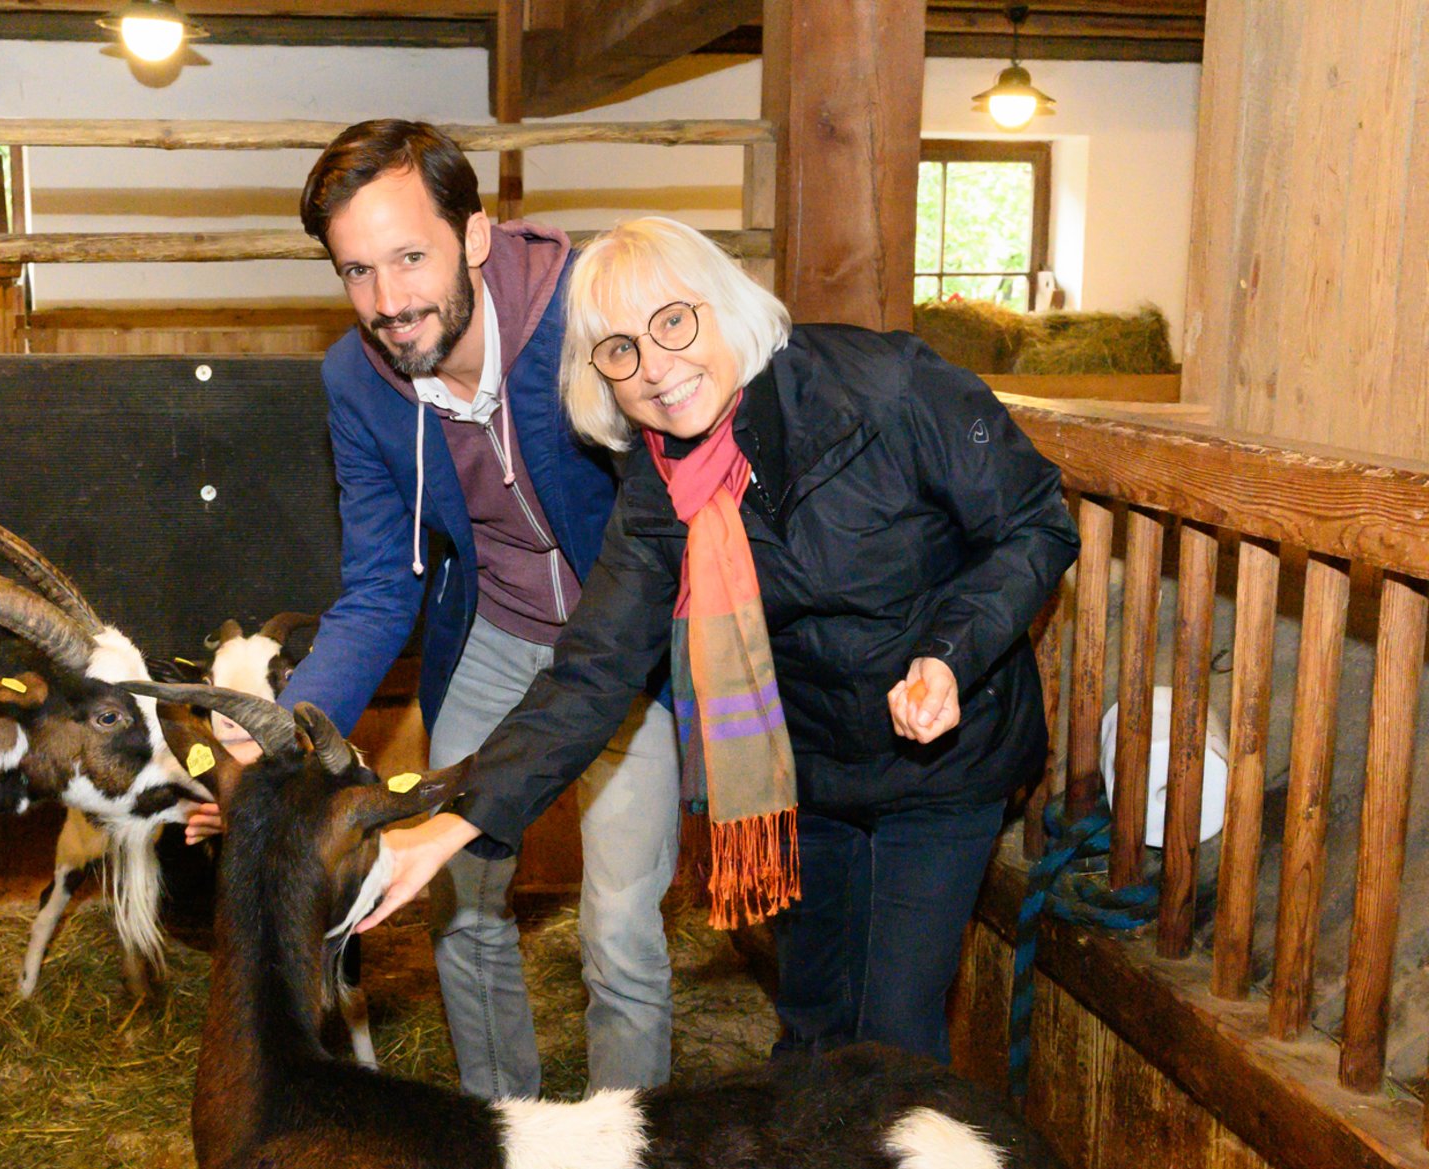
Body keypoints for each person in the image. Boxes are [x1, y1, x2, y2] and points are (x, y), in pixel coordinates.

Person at [361, 217, 1079, 1065]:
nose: (657, 369)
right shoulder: (661, 487)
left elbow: (1035, 524)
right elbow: (590, 676)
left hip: (941, 755)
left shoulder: (887, 389)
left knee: (892, 1035)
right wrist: (453, 819)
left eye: (673, 322)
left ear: (725, 305)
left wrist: (951, 654)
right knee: (812, 1017)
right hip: (802, 763)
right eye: (620, 350)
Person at [195, 120, 682, 1100]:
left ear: (473, 235)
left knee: (618, 929)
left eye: (409, 256)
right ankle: (503, 1142)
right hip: (499, 635)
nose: (386, 300)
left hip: (625, 654)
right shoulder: (353, 380)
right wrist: (284, 734)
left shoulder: (588, 317)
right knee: (454, 897)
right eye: (356, 271)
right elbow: (381, 583)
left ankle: (632, 1162)